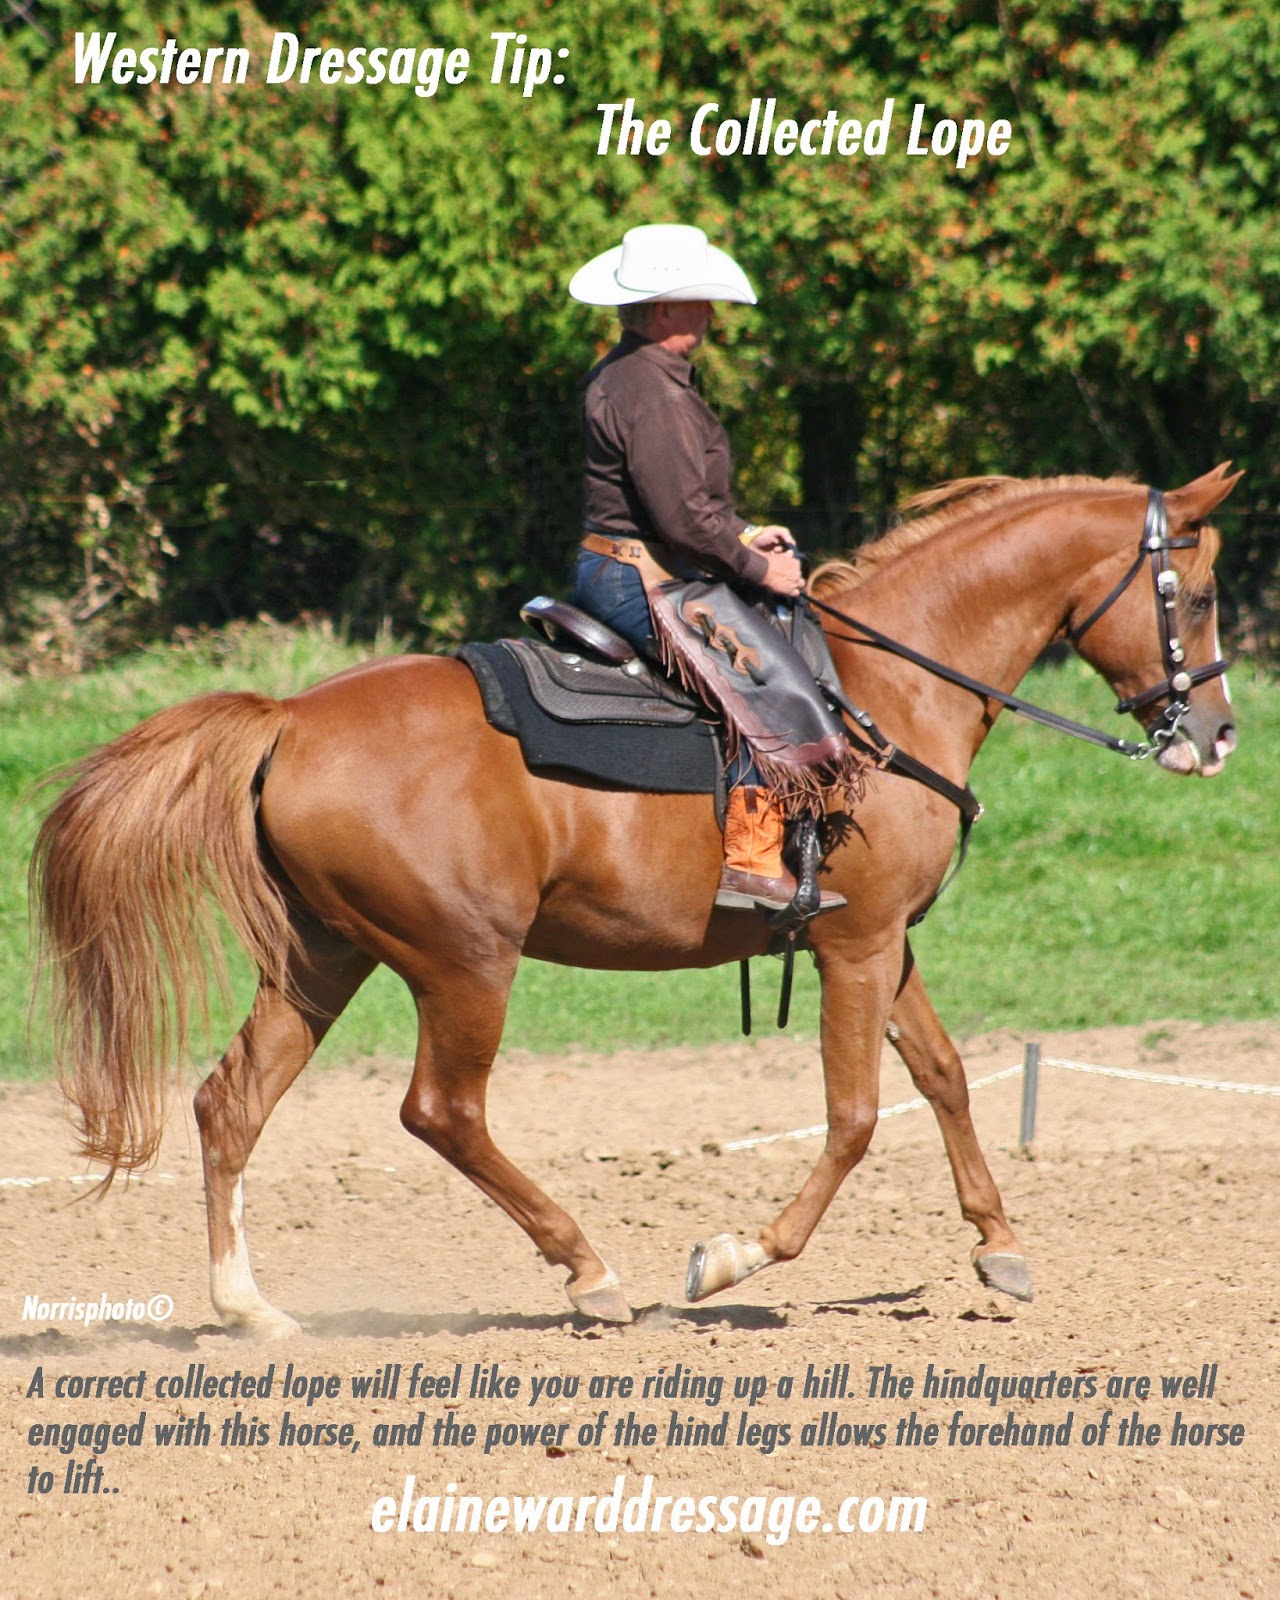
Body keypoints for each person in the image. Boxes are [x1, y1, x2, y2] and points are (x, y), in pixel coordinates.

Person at [567, 223, 852, 914]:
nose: (713, 313)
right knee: (764, 682)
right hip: (640, 576)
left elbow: (686, 505)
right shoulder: (654, 391)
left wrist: (747, 533)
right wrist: (760, 569)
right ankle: (753, 859)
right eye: (701, 299)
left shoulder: (642, 376)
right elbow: (682, 521)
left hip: (642, 560)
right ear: (665, 309)